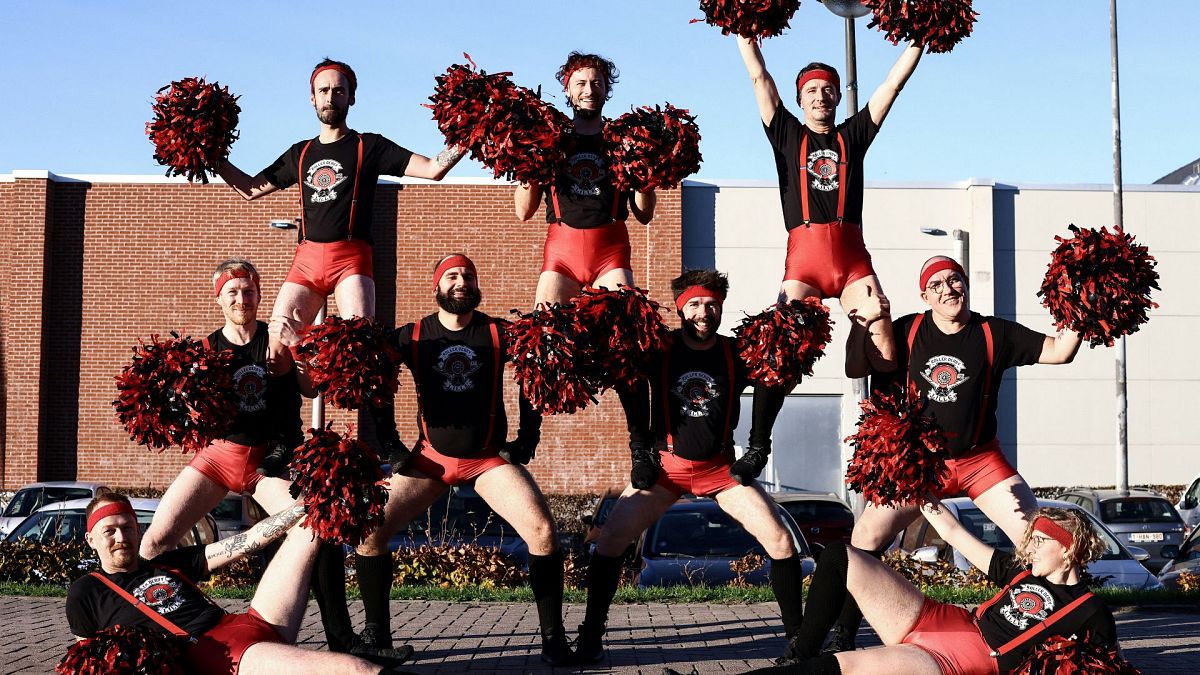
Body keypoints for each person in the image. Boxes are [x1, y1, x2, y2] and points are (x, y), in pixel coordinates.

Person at [315, 253, 574, 665]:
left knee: (542, 531)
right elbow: (374, 375)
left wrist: (528, 436)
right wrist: (390, 444)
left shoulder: (498, 332)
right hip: (431, 460)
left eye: (468, 275)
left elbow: (536, 365)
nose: (461, 282)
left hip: (487, 461)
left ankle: (554, 640)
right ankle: (378, 635)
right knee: (369, 533)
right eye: (452, 276)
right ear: (437, 286)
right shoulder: (414, 335)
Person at [829, 255, 1083, 654]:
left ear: (965, 283)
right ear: (925, 295)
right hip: (919, 465)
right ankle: (843, 632)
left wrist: (1081, 306)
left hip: (980, 461)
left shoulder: (993, 332)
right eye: (937, 284)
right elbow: (856, 367)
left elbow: (1060, 350)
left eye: (954, 280)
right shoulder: (907, 330)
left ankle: (1057, 629)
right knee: (864, 537)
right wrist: (862, 322)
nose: (948, 289)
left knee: (1040, 538)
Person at [575, 269, 806, 664]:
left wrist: (758, 447)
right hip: (667, 469)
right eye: (695, 304)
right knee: (610, 539)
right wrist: (639, 449)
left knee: (782, 542)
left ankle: (800, 642)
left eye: (712, 305)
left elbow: (776, 379)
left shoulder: (736, 352)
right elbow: (626, 377)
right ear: (681, 308)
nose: (704, 312)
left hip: (721, 471)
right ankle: (591, 635)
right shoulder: (660, 348)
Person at [216, 57, 465, 391]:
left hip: (352, 261)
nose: (330, 97)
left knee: (360, 347)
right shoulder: (300, 153)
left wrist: (473, 135)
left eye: (338, 90)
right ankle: (301, 388)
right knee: (275, 353)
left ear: (351, 97)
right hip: (306, 261)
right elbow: (249, 189)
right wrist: (210, 155)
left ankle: (325, 373)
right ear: (312, 98)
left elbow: (433, 169)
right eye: (323, 90)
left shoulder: (370, 146)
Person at [724, 504, 1118, 675]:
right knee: (841, 556)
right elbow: (953, 532)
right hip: (943, 618)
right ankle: (801, 650)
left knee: (845, 667)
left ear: (1069, 550)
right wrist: (922, 487)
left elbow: (1107, 667)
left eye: (1039, 542)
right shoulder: (1020, 570)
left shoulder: (1090, 611)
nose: (1028, 549)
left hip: (961, 660)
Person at [735, 35, 924, 369]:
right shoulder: (787, 133)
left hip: (853, 260)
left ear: (837, 96)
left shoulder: (853, 134)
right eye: (811, 90)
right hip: (804, 263)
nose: (820, 96)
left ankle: (862, 343)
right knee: (782, 350)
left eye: (827, 89)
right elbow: (758, 76)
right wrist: (741, 28)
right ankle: (764, 416)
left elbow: (893, 85)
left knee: (885, 350)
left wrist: (920, 39)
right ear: (799, 100)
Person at [67, 492, 414, 674]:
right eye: (109, 531)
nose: (121, 537)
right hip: (221, 656)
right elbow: (90, 661)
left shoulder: (165, 563)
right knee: (353, 669)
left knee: (310, 526)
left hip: (248, 623)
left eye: (127, 527)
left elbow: (245, 542)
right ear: (91, 539)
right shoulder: (87, 590)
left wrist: (305, 506)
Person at [140, 259, 305, 560]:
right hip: (217, 458)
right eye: (232, 292)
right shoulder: (203, 352)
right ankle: (168, 589)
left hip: (268, 462)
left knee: (311, 528)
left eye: (248, 291)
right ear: (218, 297)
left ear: (259, 295)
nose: (241, 299)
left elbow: (312, 388)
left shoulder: (278, 341)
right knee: (153, 544)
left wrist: (301, 347)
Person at [513, 51, 656, 308]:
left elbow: (644, 216)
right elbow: (523, 212)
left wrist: (646, 174)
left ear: (606, 90)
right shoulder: (549, 138)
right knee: (547, 328)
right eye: (580, 83)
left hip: (611, 254)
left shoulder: (625, 141)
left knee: (621, 328)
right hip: (561, 254)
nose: (589, 90)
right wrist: (528, 164)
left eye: (596, 83)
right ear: (567, 90)